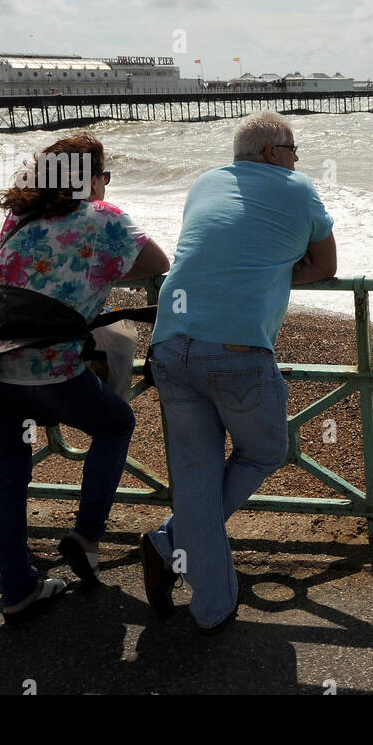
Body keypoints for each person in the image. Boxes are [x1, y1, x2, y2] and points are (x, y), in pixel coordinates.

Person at [141, 111, 336, 635]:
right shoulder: (297, 186)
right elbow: (325, 266)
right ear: (274, 152)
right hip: (236, 351)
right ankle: (169, 545)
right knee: (265, 451)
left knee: (197, 476)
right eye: (293, 149)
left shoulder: (206, 181)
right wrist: (277, 265)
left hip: (169, 343)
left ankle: (212, 601)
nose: (297, 159)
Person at [0, 133, 169, 623]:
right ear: (91, 177)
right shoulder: (105, 217)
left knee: (6, 477)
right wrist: (98, 267)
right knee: (115, 424)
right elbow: (159, 265)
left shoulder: (19, 214)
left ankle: (17, 590)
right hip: (49, 369)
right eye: (104, 174)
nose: (107, 183)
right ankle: (86, 535)